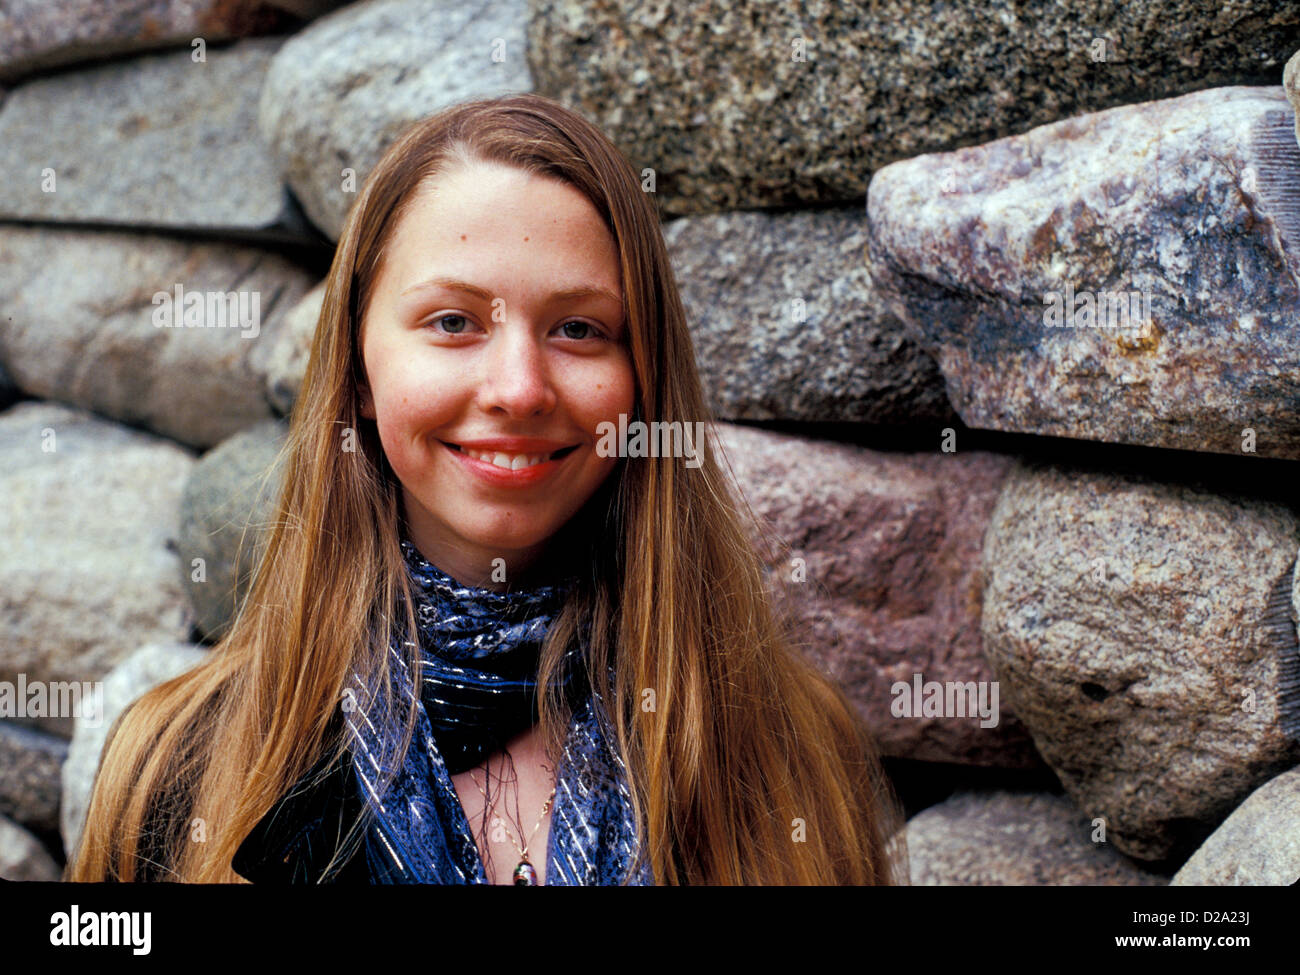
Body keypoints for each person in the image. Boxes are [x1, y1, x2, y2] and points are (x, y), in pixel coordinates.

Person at [68, 93, 908, 885]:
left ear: (644, 380)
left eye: (578, 329)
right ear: (360, 369)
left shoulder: (791, 750)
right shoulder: (181, 766)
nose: (520, 388)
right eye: (453, 322)